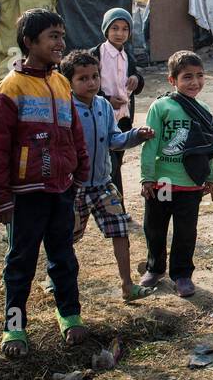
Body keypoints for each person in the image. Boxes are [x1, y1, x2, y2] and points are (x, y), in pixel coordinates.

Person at [0, 9, 90, 358]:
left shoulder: (60, 82)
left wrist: (81, 171)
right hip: (27, 197)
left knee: (64, 259)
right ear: (29, 42)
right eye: (52, 36)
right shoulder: (10, 90)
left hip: (61, 189)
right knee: (20, 264)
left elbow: (74, 133)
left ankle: (70, 315)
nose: (60, 43)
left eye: (61, 35)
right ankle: (14, 326)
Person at [58, 49, 156, 303]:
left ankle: (127, 285)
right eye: (83, 78)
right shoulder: (65, 109)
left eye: (95, 76)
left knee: (120, 230)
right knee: (67, 237)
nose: (91, 83)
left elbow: (114, 139)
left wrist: (136, 135)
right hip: (74, 187)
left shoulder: (102, 105)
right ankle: (55, 278)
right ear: (68, 82)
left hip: (103, 183)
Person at [139, 51, 213, 298]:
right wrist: (147, 177)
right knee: (155, 227)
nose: (194, 82)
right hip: (163, 182)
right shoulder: (161, 107)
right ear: (172, 80)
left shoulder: (204, 110)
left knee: (186, 232)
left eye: (199, 76)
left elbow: (209, 148)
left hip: (190, 184)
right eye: (187, 77)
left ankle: (182, 274)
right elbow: (150, 145)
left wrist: (210, 177)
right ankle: (155, 268)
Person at [90, 8, 144, 195]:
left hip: (123, 117)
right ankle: (116, 206)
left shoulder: (127, 56)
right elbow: (86, 86)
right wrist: (106, 101)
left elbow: (135, 77)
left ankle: (110, 202)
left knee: (117, 162)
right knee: (110, 163)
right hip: (103, 116)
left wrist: (136, 79)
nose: (119, 33)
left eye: (124, 29)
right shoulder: (96, 54)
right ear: (106, 29)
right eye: (115, 28)